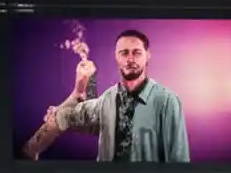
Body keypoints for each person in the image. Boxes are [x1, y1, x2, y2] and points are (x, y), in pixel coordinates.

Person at [31, 29, 190, 163]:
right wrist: (81, 86)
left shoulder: (167, 101)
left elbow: (179, 160)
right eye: (124, 53)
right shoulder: (108, 99)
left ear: (147, 55)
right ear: (116, 56)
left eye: (136, 52)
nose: (130, 59)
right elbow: (70, 115)